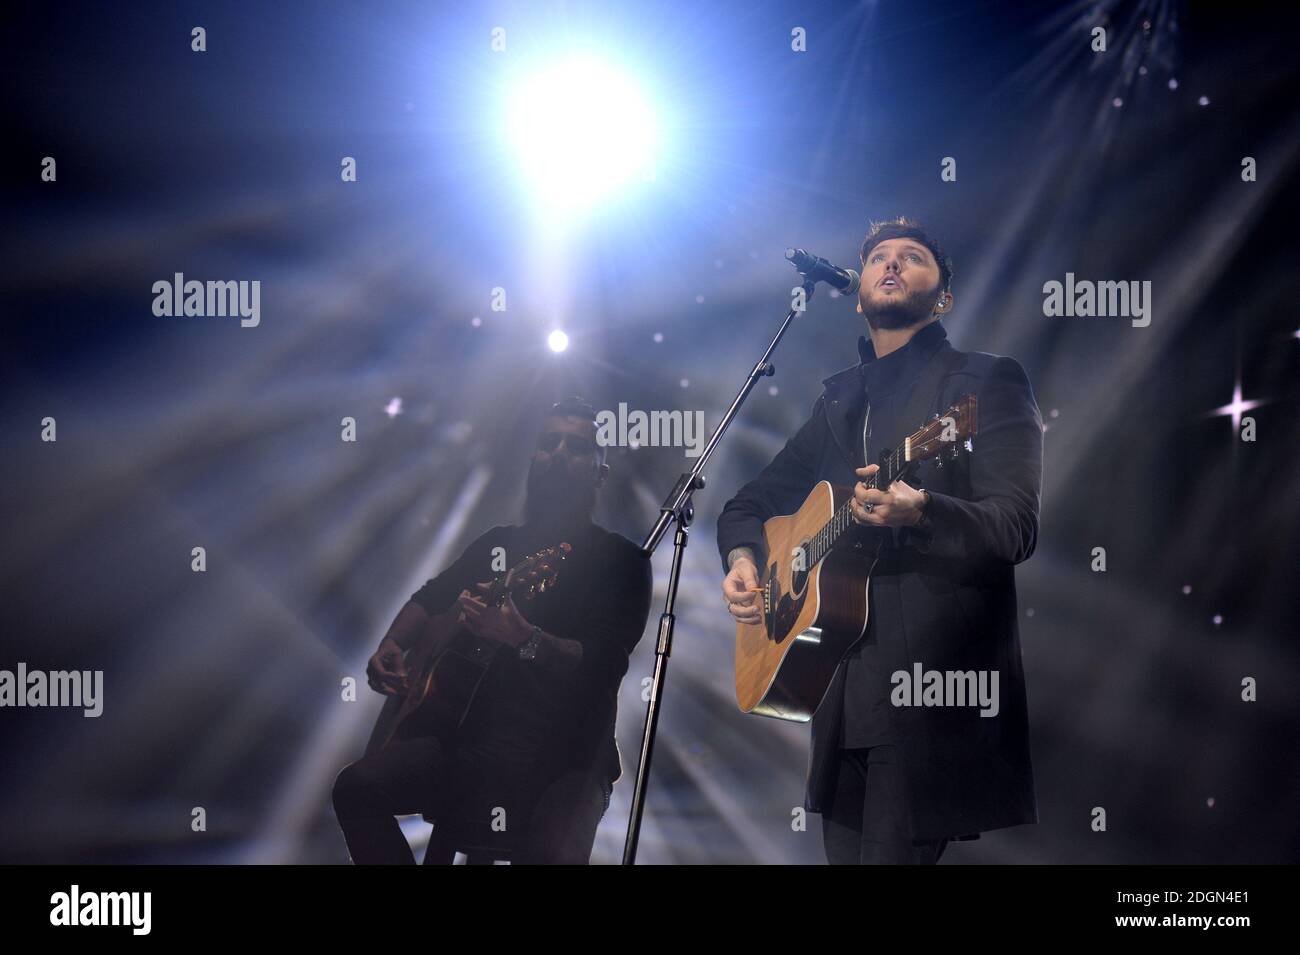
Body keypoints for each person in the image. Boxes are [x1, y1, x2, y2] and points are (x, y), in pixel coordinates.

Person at [717, 218, 1043, 864]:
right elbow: (745, 504)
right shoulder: (839, 406)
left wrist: (922, 510)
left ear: (943, 295)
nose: (891, 265)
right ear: (859, 293)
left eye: (913, 257)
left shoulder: (983, 385)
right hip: (835, 702)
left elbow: (1016, 525)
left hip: (928, 696)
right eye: (878, 259)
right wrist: (743, 560)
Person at [333, 398, 653, 864]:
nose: (559, 454)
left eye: (578, 447)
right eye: (549, 443)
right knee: (356, 789)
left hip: (568, 758)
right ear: (533, 458)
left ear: (600, 473)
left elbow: (604, 664)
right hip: (468, 741)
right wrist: (393, 644)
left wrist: (524, 637)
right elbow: (432, 597)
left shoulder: (622, 561)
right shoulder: (499, 544)